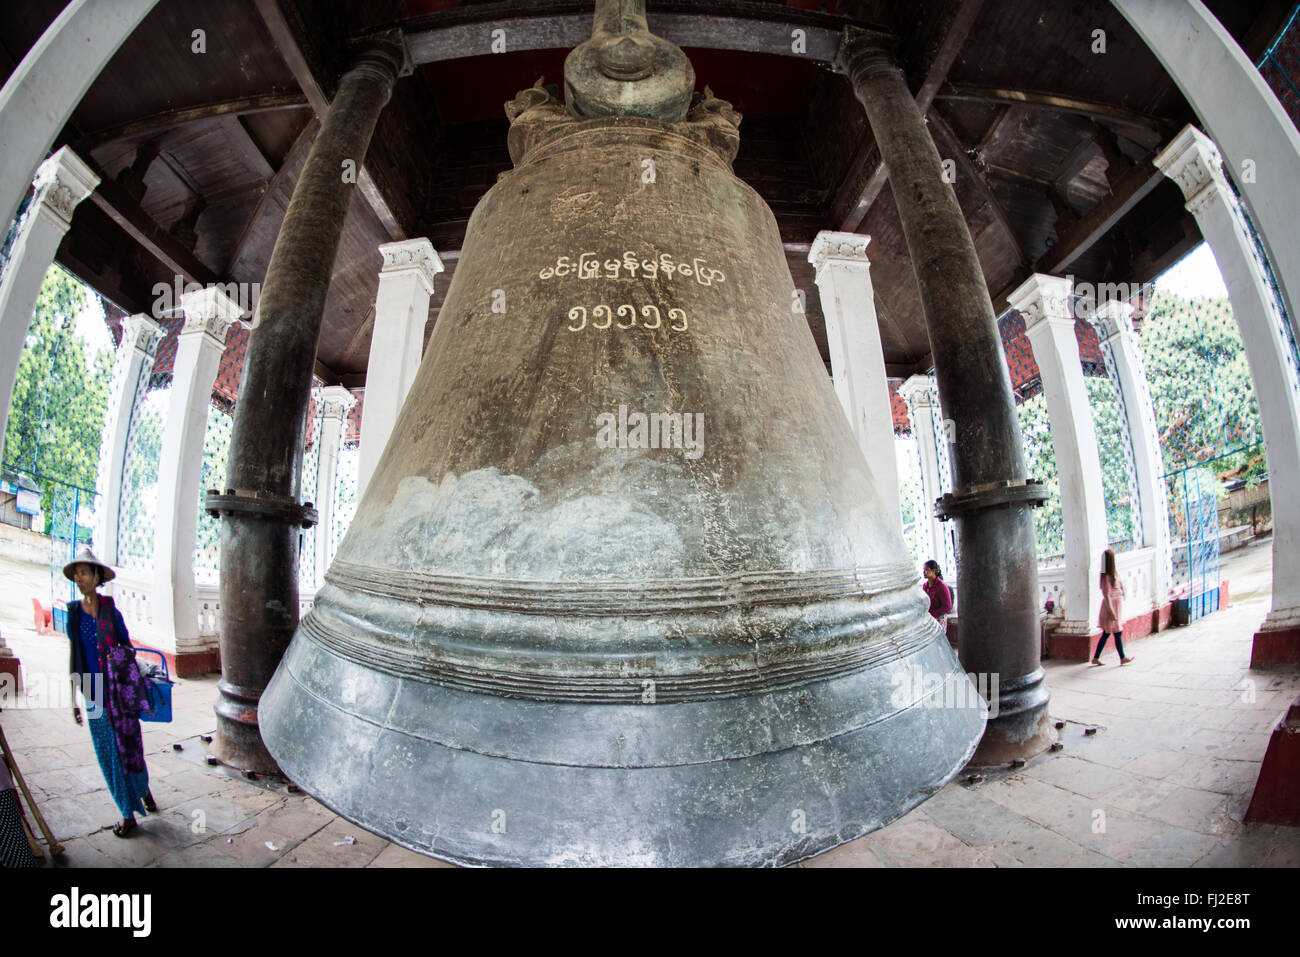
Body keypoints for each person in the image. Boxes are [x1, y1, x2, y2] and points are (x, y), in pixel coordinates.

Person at [64, 546, 157, 837]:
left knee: (129, 745)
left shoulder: (110, 610)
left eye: (83, 572)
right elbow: (74, 655)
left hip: (117, 689)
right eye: (76, 573)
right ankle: (127, 813)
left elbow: (128, 646)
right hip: (91, 688)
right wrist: (73, 701)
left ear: (96, 576)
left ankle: (143, 790)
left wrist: (114, 657)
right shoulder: (74, 613)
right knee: (108, 752)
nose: (79, 578)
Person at [1092, 547, 1133, 666]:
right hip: (1111, 607)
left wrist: (1123, 591)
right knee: (1116, 632)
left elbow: (1120, 584)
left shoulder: (1114, 573)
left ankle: (1096, 657)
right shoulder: (1105, 577)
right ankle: (1122, 657)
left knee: (1107, 634)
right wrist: (1111, 611)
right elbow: (1107, 595)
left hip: (1116, 606)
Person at [922, 560, 953, 629]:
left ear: (934, 571)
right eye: (923, 570)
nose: (924, 572)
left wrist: (932, 615)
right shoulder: (925, 586)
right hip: (928, 617)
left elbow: (948, 606)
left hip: (939, 618)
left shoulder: (941, 586)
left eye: (926, 569)